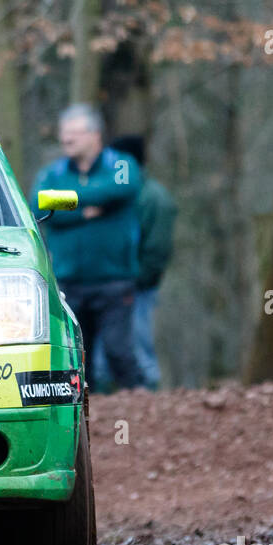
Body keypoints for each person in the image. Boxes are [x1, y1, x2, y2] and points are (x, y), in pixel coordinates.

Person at [33, 105, 143, 391]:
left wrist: (65, 201)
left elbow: (122, 188)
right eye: (63, 133)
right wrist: (86, 209)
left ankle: (138, 405)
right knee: (76, 356)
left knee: (119, 351)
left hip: (114, 280)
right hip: (68, 281)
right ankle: (88, 416)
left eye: (74, 133)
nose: (66, 139)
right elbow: (39, 204)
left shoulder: (120, 163)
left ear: (94, 135)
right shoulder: (52, 172)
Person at [105, 134, 177, 389]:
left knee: (139, 343)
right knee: (109, 350)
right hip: (112, 283)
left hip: (137, 287)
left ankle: (148, 397)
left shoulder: (154, 197)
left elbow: (157, 248)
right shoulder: (120, 193)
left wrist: (137, 279)